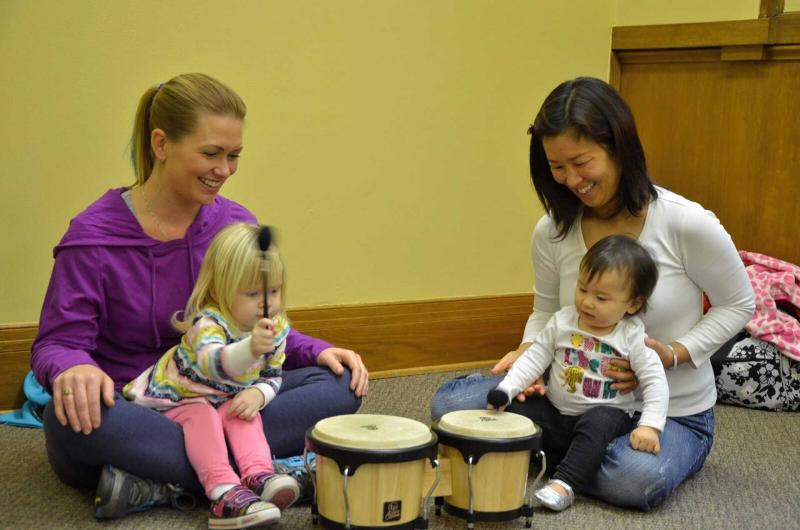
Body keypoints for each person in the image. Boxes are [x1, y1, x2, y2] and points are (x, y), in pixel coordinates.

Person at [31, 73, 369, 520]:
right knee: (70, 420)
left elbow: (259, 324)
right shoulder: (93, 237)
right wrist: (73, 367)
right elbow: (56, 343)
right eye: (211, 153)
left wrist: (320, 351)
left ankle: (162, 483)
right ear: (160, 143)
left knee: (342, 385)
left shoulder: (235, 226)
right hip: (141, 406)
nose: (224, 170)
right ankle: (264, 472)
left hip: (227, 397)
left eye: (233, 156)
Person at [431, 77, 755, 511]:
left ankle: (546, 453)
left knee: (632, 481)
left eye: (581, 163)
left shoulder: (685, 223)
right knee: (449, 405)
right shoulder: (552, 232)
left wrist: (674, 353)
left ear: (618, 147)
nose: (570, 180)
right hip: (572, 401)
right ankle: (576, 451)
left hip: (666, 411)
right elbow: (545, 310)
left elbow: (740, 304)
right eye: (556, 167)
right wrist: (530, 354)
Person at [121, 223, 306, 528]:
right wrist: (250, 348)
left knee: (244, 413)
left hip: (224, 396)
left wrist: (258, 393)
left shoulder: (276, 327)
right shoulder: (208, 323)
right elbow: (214, 364)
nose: (266, 302)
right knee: (202, 416)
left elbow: (274, 375)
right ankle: (223, 491)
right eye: (252, 293)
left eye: (273, 291)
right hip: (179, 397)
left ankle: (259, 475)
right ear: (221, 289)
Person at [487, 234, 667, 512]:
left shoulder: (631, 338)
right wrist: (507, 389)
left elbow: (655, 382)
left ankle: (565, 483)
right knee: (517, 409)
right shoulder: (562, 321)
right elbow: (535, 358)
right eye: (582, 289)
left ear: (631, 304)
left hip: (605, 416)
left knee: (597, 422)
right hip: (556, 412)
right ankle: (513, 464)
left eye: (602, 297)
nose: (588, 302)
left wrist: (649, 426)